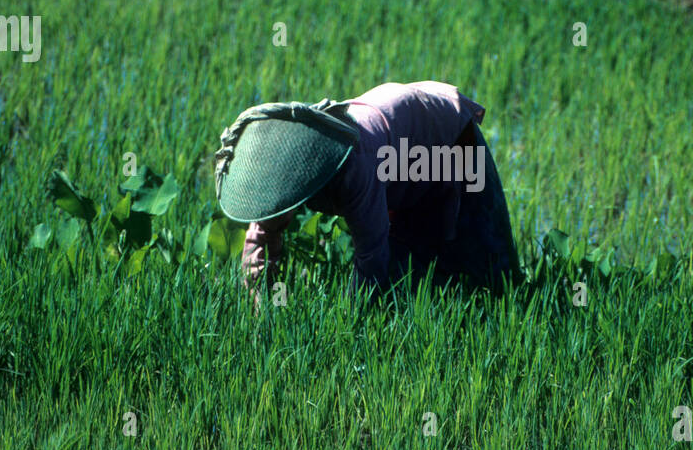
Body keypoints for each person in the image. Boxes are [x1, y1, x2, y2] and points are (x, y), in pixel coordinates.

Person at [214, 81, 520, 300]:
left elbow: (371, 255)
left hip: (449, 136)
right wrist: (258, 301)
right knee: (409, 279)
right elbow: (261, 238)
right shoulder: (285, 172)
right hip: (398, 157)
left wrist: (348, 320)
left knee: (490, 270)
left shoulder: (354, 167)